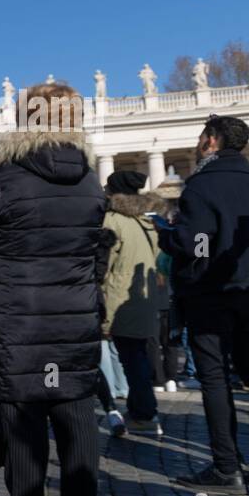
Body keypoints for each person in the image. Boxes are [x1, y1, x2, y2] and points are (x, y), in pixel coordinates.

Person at [0, 82, 107, 496]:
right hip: (74, 321)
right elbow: (96, 253)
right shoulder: (90, 180)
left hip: (16, 325)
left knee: (22, 428)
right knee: (78, 420)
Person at [159, 115, 249, 495]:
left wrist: (169, 238)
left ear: (212, 141)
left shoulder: (201, 184)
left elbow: (196, 242)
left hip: (211, 293)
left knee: (214, 379)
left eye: (202, 136)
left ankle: (227, 469)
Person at [100, 170, 166, 436]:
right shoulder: (145, 221)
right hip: (143, 299)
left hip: (118, 299)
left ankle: (143, 413)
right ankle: (141, 409)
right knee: (136, 355)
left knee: (131, 359)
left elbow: (103, 266)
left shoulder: (112, 221)